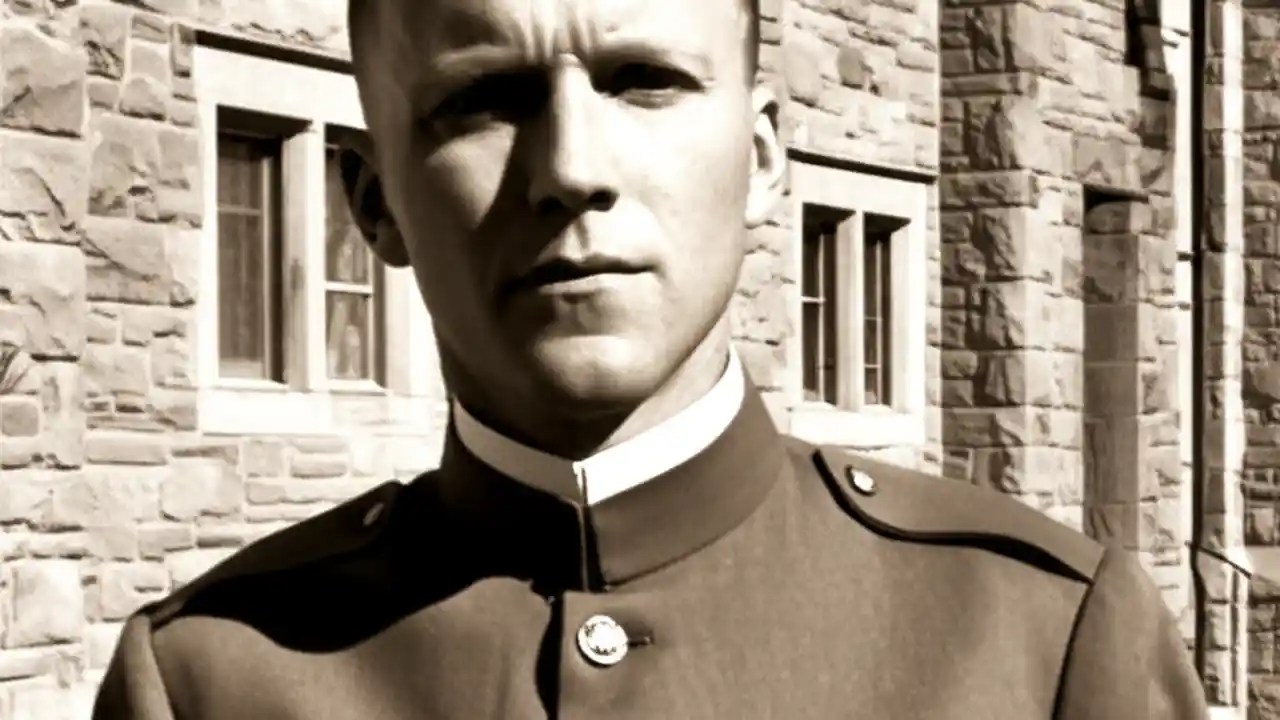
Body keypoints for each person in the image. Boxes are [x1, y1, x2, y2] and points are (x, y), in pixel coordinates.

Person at [93, 0, 1210, 717]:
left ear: (764, 154)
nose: (570, 167)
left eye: (642, 81)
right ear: (374, 203)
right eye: (485, 99)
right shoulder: (209, 678)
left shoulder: (1043, 639)